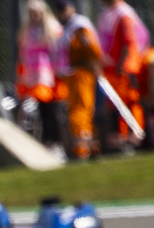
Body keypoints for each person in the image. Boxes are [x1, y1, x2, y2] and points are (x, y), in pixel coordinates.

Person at [53, 0, 103, 160]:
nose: (63, 13)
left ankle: (85, 147)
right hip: (72, 74)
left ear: (72, 8)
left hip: (83, 72)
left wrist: (94, 64)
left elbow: (91, 49)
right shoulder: (66, 28)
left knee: (82, 108)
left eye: (65, 9)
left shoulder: (79, 26)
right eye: (60, 10)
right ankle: (86, 146)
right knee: (77, 109)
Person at [97, 0, 150, 147]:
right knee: (116, 104)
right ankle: (122, 136)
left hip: (125, 67)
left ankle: (135, 135)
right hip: (112, 68)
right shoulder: (109, 14)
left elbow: (128, 42)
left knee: (129, 102)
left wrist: (121, 64)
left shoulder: (123, 14)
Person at [16, 0, 67, 149]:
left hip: (48, 76)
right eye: (32, 13)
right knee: (39, 112)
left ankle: (55, 142)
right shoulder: (27, 30)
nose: (34, 16)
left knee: (50, 110)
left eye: (37, 13)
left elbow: (58, 52)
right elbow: (22, 53)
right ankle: (46, 142)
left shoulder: (52, 28)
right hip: (32, 76)